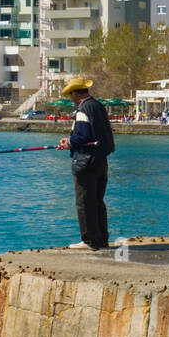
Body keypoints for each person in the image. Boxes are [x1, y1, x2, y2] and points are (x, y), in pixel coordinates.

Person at [56, 77, 115, 250]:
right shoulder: (98, 106)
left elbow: (82, 135)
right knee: (98, 201)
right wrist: (71, 141)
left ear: (75, 93)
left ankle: (89, 241)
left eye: (70, 94)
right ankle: (102, 240)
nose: (70, 98)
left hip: (85, 162)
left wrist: (69, 143)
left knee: (84, 202)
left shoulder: (82, 109)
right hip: (101, 161)